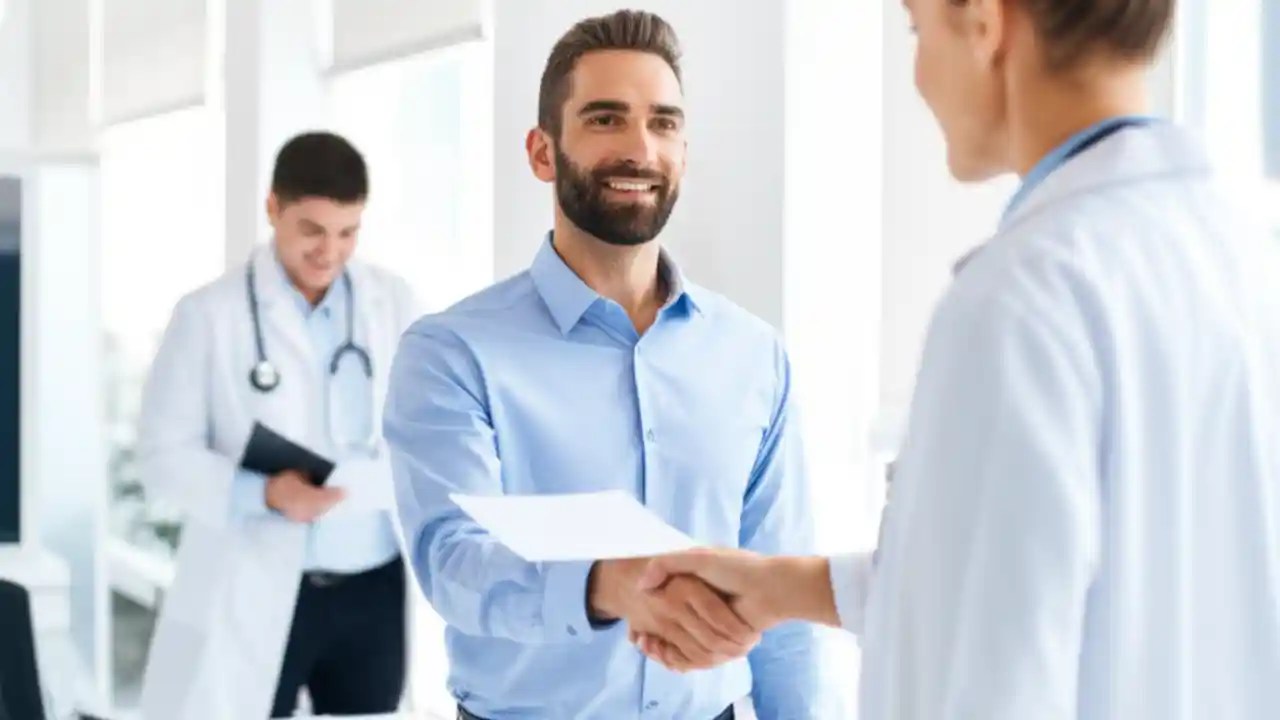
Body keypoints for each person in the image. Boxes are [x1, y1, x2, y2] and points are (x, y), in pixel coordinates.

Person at [635, 0, 1280, 718]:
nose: (918, 74)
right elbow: (1067, 580)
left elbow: (983, 673)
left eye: (917, 29)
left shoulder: (1024, 296)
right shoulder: (1246, 252)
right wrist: (785, 588)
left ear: (983, 21)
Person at [383, 10, 828, 720]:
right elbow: (453, 562)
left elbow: (784, 608)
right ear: (542, 152)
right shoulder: (452, 353)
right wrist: (604, 585)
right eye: (605, 119)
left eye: (664, 122)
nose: (640, 149)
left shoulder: (751, 356)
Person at [136, 132, 422, 719]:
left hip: (373, 582)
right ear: (273, 208)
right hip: (260, 581)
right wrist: (263, 492)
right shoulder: (208, 316)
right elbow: (162, 456)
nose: (330, 252)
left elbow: (422, 429)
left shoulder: (391, 301)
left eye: (348, 233)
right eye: (312, 230)